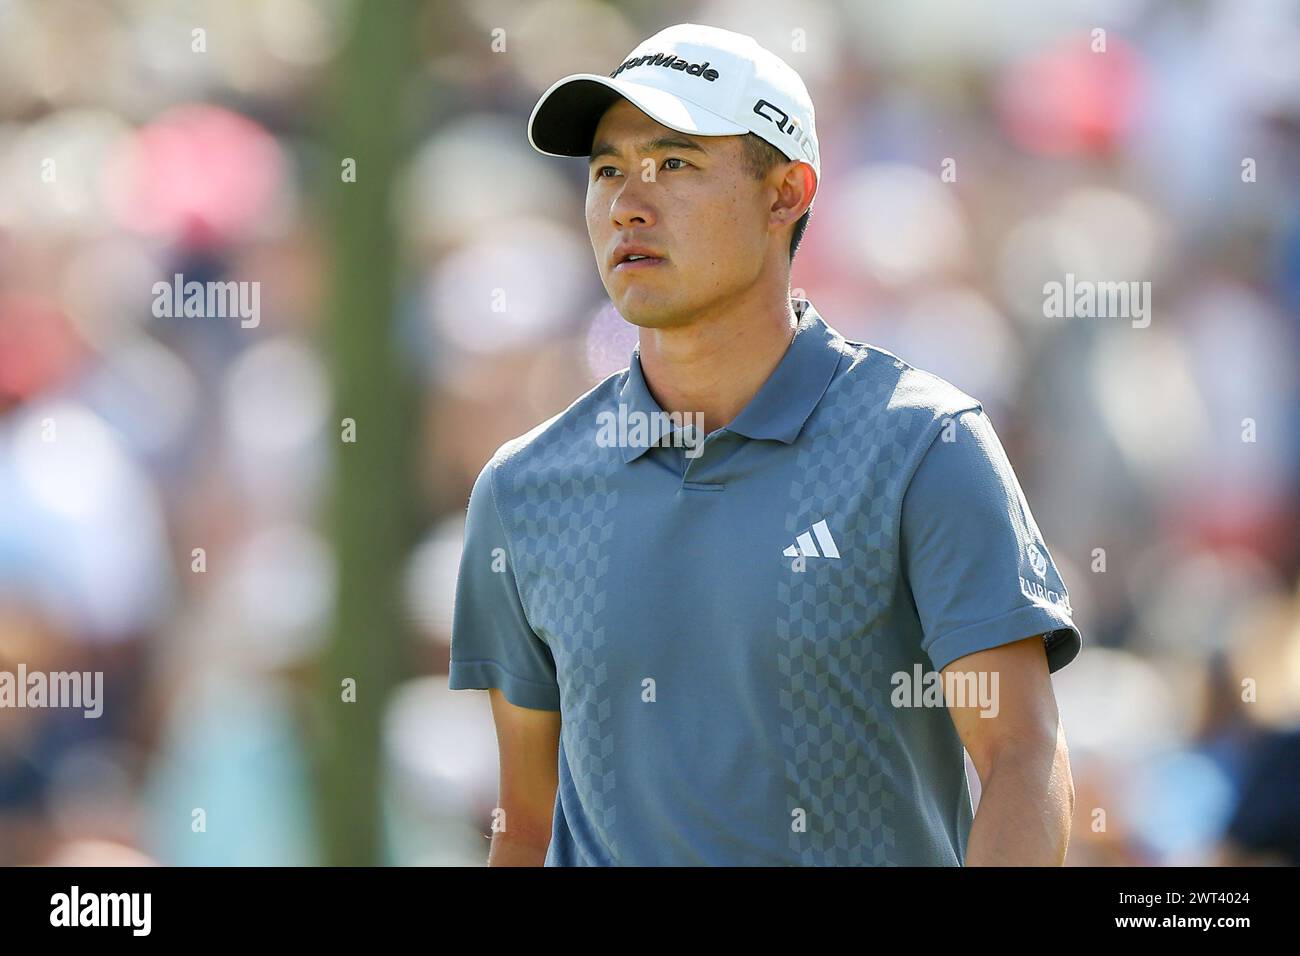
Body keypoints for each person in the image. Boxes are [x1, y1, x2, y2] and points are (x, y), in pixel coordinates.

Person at [448, 23, 1082, 866]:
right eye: (607, 170)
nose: (628, 202)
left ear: (785, 193)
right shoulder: (522, 489)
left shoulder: (924, 446)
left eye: (674, 164)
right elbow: (526, 827)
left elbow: (1021, 757)